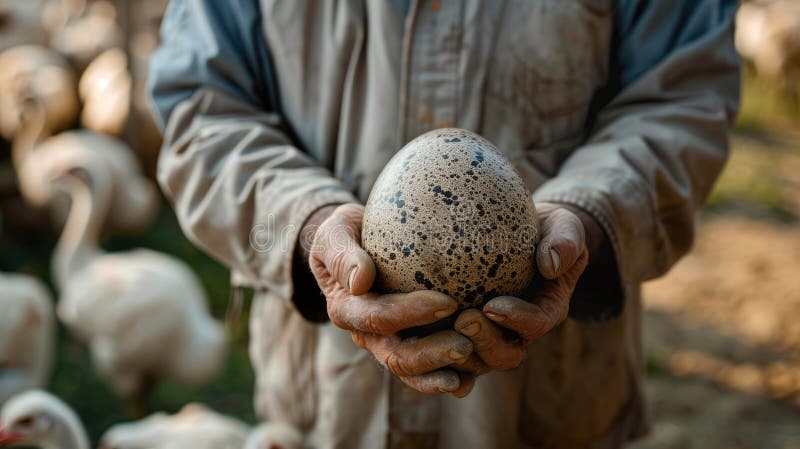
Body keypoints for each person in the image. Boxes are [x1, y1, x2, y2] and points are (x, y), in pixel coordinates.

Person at [148, 1, 740, 448]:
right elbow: (201, 108)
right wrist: (308, 225)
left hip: (549, 412)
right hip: (323, 414)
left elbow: (685, 97)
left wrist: (588, 215)